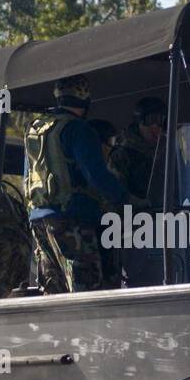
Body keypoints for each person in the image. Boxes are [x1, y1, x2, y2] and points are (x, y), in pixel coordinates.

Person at [25, 74, 128, 293]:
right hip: (71, 219)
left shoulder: (37, 128)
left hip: (39, 219)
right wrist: (126, 199)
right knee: (86, 290)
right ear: (86, 100)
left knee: (54, 289)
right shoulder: (79, 129)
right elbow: (96, 175)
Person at [108, 96, 166, 208]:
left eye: (161, 122)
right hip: (136, 220)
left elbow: (189, 184)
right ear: (139, 122)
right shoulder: (122, 155)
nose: (155, 127)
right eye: (151, 120)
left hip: (170, 217)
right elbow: (116, 195)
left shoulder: (168, 153)